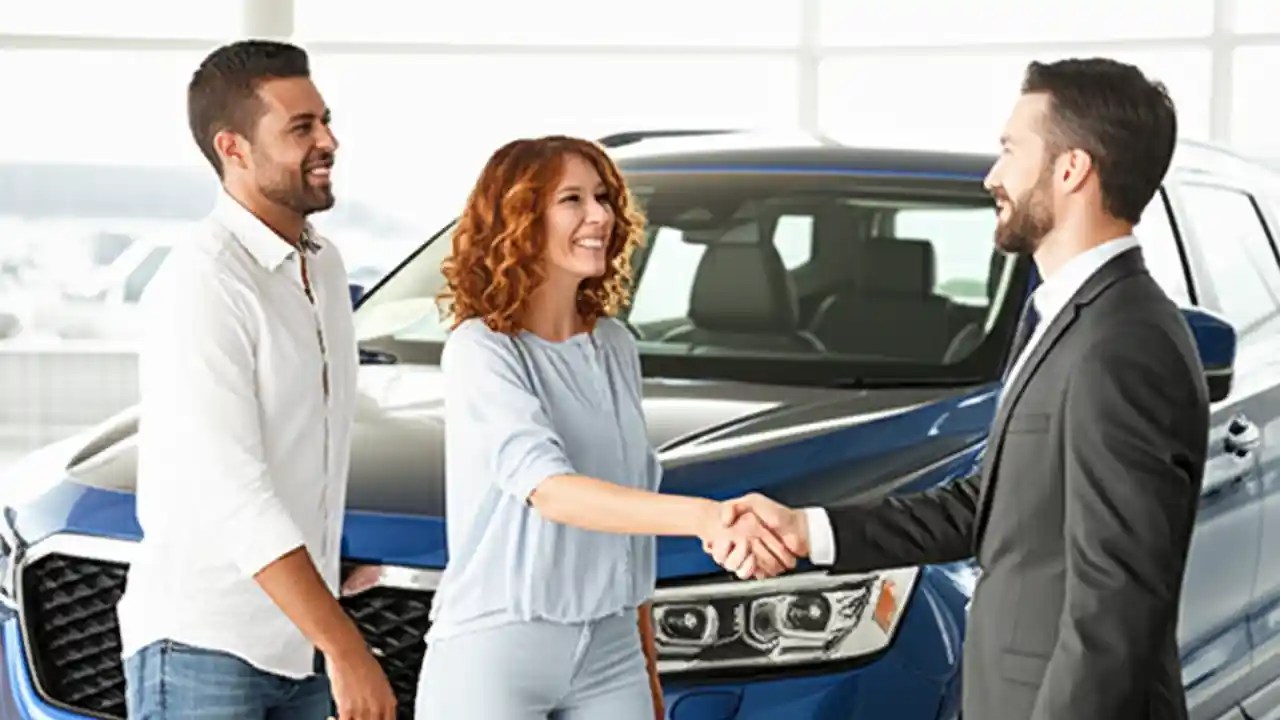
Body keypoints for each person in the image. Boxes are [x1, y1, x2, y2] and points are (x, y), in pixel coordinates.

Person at [712, 58, 1209, 720]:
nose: (993, 177)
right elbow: (991, 508)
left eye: (1010, 150)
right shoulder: (1073, 320)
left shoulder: (1122, 344)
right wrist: (807, 530)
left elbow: (1116, 604)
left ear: (1072, 170)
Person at [414, 135, 794, 719]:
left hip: (612, 651)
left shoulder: (615, 345)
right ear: (518, 219)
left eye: (603, 197)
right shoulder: (481, 350)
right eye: (572, 200)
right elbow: (552, 491)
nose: (600, 216)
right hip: (498, 646)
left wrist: (646, 667)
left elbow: (627, 519)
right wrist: (705, 517)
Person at [115, 40, 396, 720]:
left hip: (296, 641)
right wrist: (347, 648)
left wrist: (329, 554)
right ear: (233, 147)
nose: (328, 140)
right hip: (207, 648)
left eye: (324, 120)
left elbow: (303, 446)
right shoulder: (203, 283)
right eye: (301, 128)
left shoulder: (324, 266)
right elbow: (233, 491)